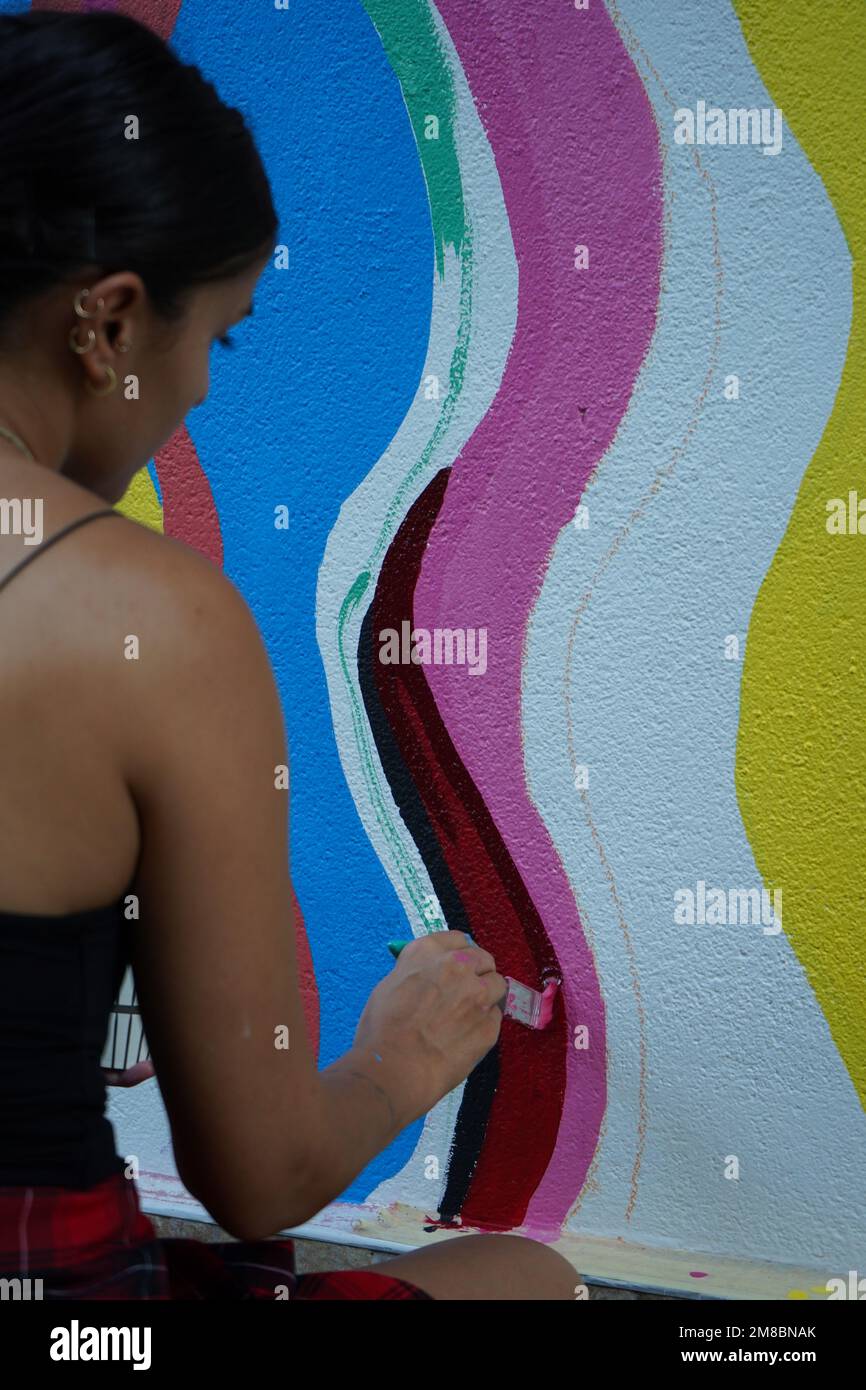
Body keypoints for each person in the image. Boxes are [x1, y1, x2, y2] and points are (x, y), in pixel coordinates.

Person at [0, 12, 577, 1300]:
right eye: (221, 335)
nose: (202, 389)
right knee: (520, 1284)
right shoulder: (149, 620)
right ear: (107, 323)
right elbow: (254, 1177)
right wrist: (399, 1061)